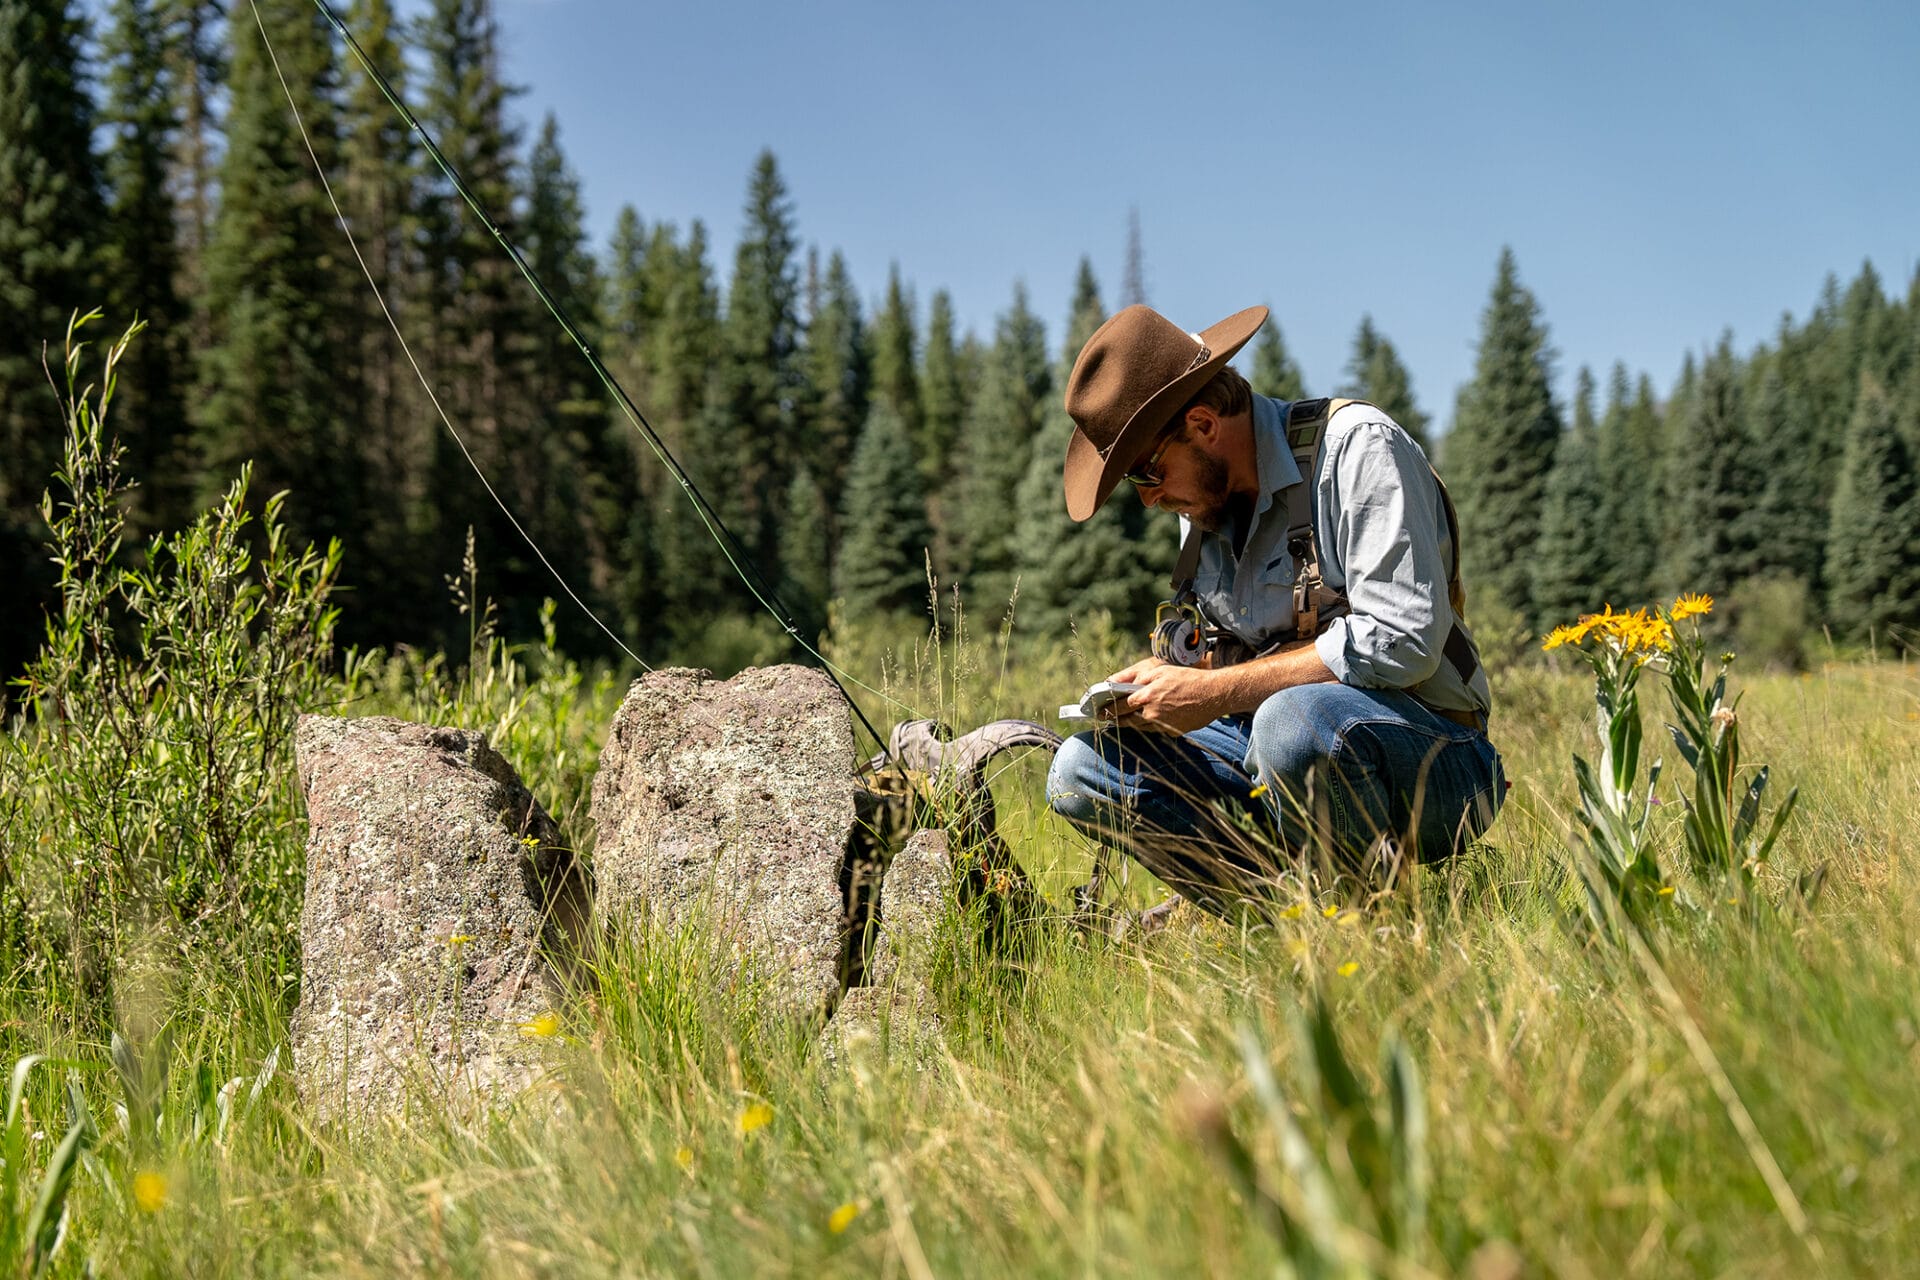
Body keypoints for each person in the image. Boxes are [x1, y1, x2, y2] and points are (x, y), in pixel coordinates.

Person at [1045, 303, 1505, 917]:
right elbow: (1231, 671)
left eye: (1147, 472)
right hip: (1270, 748)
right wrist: (1171, 686)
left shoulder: (1358, 451)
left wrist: (1216, 692)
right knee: (1082, 769)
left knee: (1291, 722)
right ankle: (1282, 928)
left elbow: (1405, 640)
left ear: (1204, 425)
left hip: (1437, 750)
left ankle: (1374, 930)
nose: (1151, 500)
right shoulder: (1203, 509)